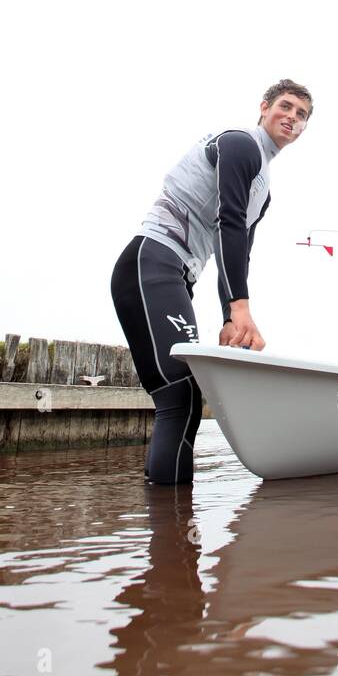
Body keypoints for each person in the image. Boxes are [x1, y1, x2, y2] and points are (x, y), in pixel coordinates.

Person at [110, 79, 313, 485]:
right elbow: (228, 224)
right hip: (152, 262)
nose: (291, 117)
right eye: (285, 106)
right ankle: (172, 532)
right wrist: (241, 307)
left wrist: (228, 317)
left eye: (302, 114)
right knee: (180, 398)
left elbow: (238, 249)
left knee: (180, 400)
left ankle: (168, 531)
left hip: (172, 274)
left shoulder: (264, 187)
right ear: (264, 107)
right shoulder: (240, 144)